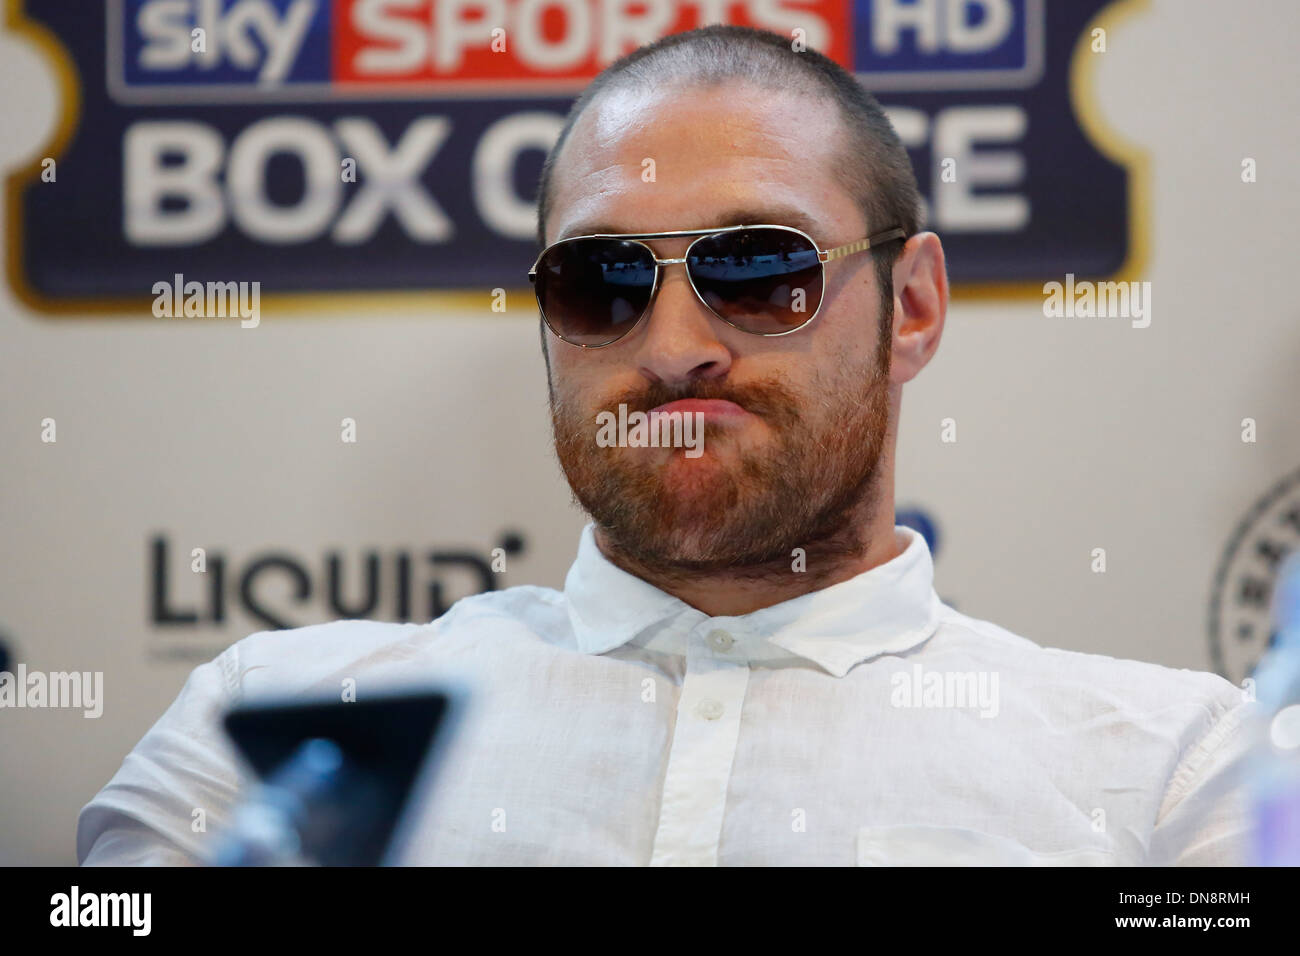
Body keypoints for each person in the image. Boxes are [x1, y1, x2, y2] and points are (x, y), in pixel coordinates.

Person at [78, 24, 1252, 866]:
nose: (675, 344)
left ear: (915, 305)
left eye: (760, 268)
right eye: (602, 281)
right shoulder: (277, 728)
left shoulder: (1171, 772)